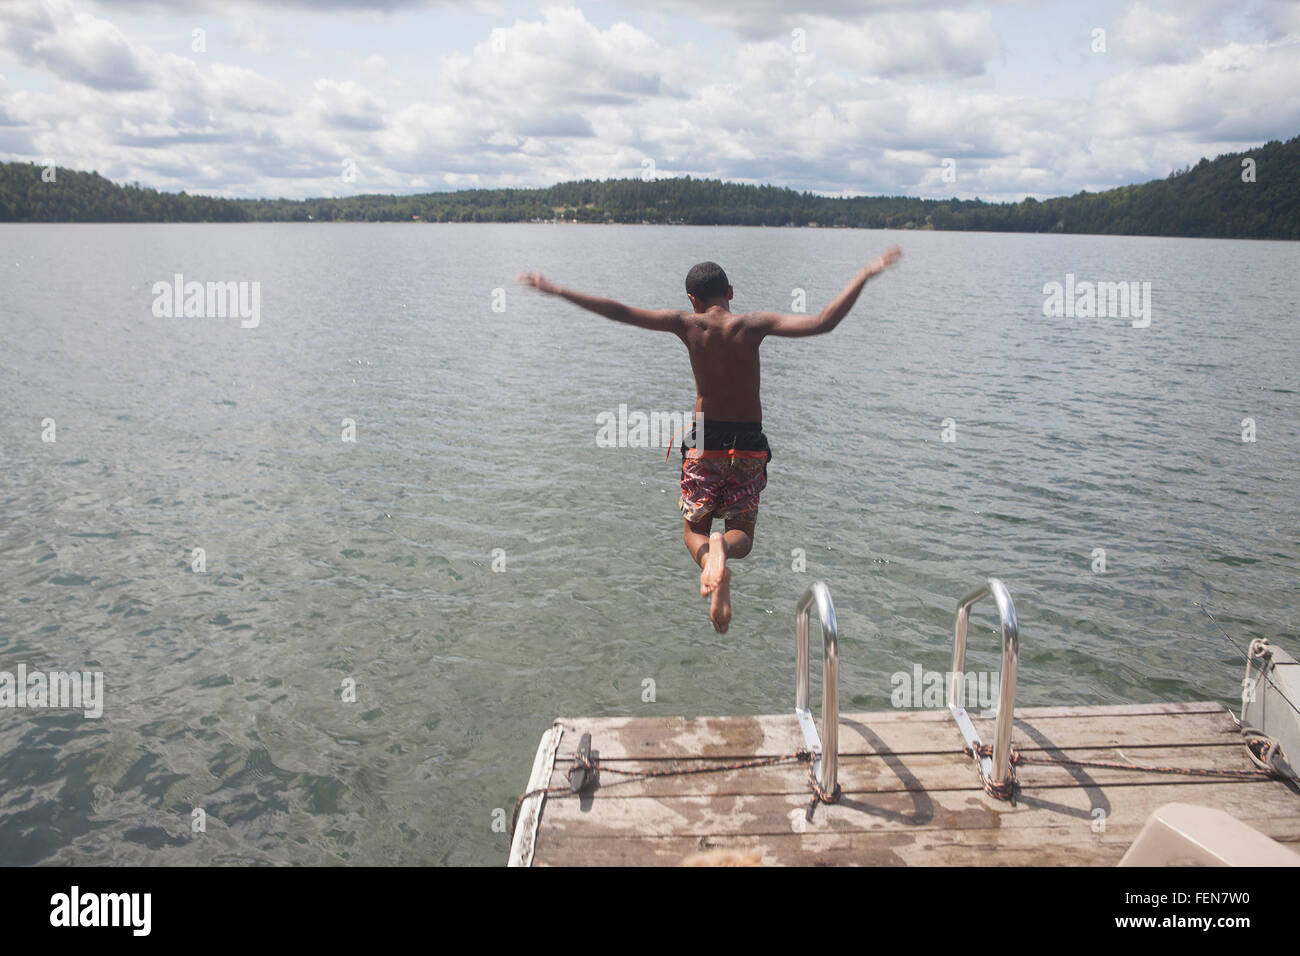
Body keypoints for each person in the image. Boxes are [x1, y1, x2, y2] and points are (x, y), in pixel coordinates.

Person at [517, 247, 902, 632]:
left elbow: (619, 312)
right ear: (730, 292)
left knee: (694, 532)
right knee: (743, 537)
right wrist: (864, 275)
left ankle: (709, 556)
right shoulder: (752, 325)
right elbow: (822, 322)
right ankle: (724, 548)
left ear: (692, 300)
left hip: (706, 442)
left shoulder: (686, 323)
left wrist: (558, 290)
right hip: (749, 442)